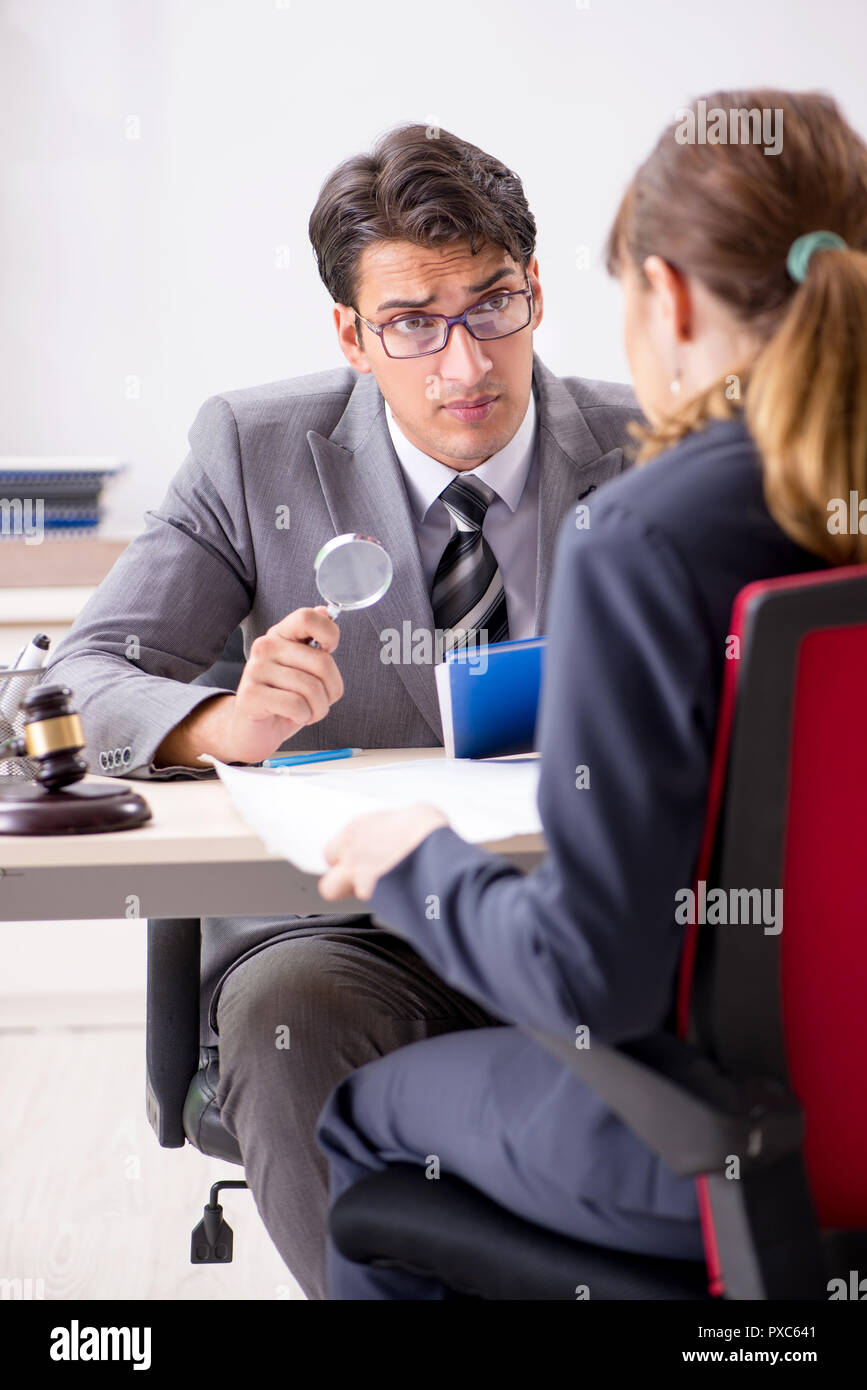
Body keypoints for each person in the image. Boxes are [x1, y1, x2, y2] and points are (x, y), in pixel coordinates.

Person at [44, 124, 640, 1299]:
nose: (465, 362)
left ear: (536, 293)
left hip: (588, 909)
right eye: (414, 323)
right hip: (354, 930)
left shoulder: (648, 444)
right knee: (286, 1013)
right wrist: (222, 722)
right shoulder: (256, 451)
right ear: (352, 336)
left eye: (493, 305)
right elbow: (71, 682)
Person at [316, 87, 867, 1298]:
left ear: (664, 296)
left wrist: (416, 858)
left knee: (366, 1121)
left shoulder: (649, 534)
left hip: (743, 1147)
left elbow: (592, 979)